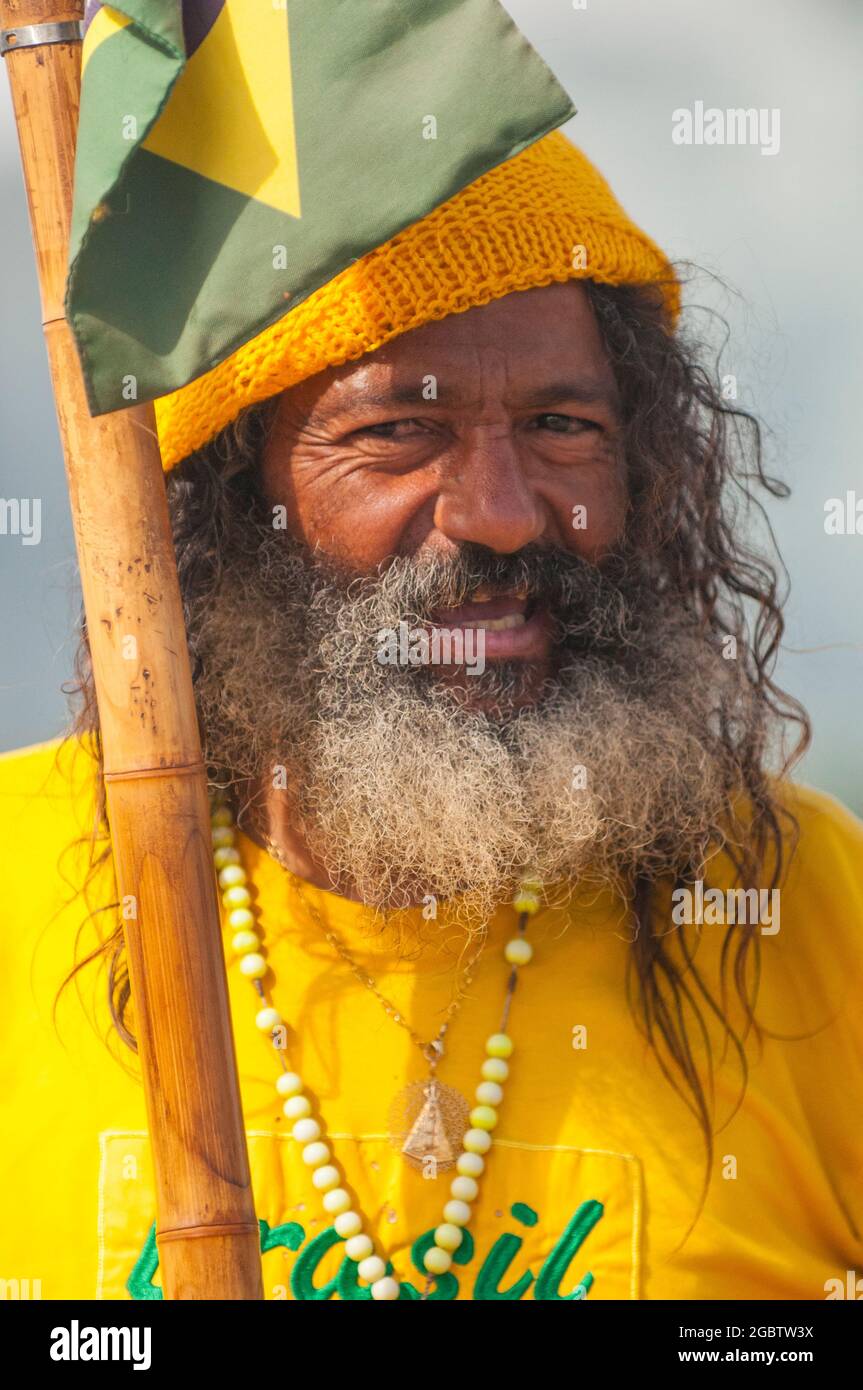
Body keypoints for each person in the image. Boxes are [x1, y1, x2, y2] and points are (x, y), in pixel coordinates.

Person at [2, 131, 861, 1302]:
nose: (502, 516)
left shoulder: (808, 908)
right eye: (398, 431)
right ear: (228, 484)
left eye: (564, 427)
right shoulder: (22, 871)